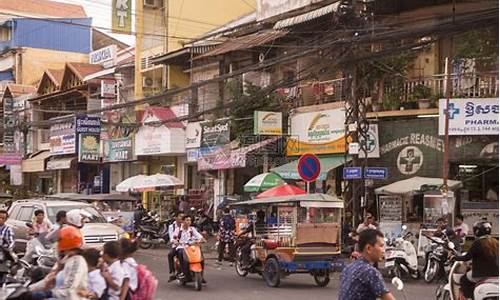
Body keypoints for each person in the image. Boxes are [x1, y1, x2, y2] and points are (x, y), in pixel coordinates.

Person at [28, 225, 88, 300]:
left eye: (58, 241)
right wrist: (27, 290)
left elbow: (68, 291)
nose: (56, 244)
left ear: (65, 242)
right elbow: (48, 280)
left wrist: (48, 293)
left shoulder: (77, 262)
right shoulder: (64, 261)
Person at [339, 229, 395, 300]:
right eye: (381, 246)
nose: (383, 250)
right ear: (368, 248)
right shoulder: (370, 272)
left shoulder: (347, 268)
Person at [454, 220, 499, 300]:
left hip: (480, 275)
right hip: (496, 275)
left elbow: (467, 257)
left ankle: (470, 297)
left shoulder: (477, 243)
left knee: (463, 280)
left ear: (477, 231)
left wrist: (455, 257)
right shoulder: (496, 242)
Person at [172, 215, 204, 280]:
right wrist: (175, 241)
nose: (189, 222)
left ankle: (201, 275)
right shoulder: (178, 230)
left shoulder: (192, 229)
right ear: (183, 221)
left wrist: (201, 240)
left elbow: (200, 237)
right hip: (181, 247)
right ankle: (183, 272)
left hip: (191, 247)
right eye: (187, 220)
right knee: (181, 254)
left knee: (201, 257)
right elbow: (174, 238)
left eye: (190, 220)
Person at [168, 213, 184, 282]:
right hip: (177, 246)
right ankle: (173, 272)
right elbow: (172, 237)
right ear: (176, 218)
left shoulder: (188, 226)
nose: (182, 218)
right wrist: (175, 241)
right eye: (180, 216)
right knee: (171, 254)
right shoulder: (173, 227)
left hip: (188, 246)